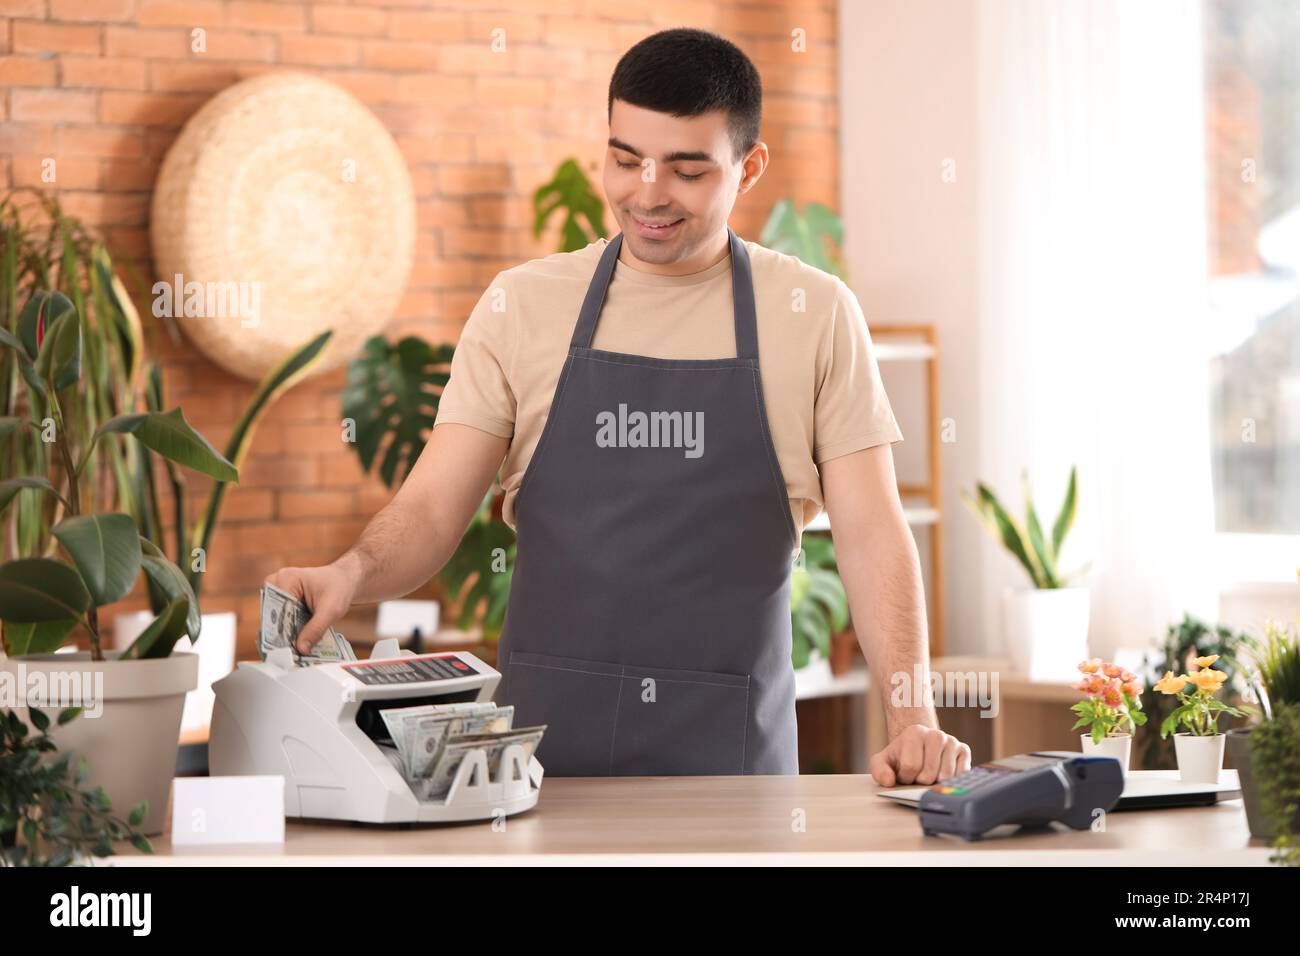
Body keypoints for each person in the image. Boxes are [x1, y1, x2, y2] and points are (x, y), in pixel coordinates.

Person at [267, 27, 970, 786]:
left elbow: (872, 536)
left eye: (686, 170)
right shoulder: (523, 305)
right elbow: (435, 508)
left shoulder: (814, 314)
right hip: (539, 773)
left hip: (733, 771)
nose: (647, 192)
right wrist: (352, 572)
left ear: (750, 166)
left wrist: (913, 717)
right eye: (625, 158)